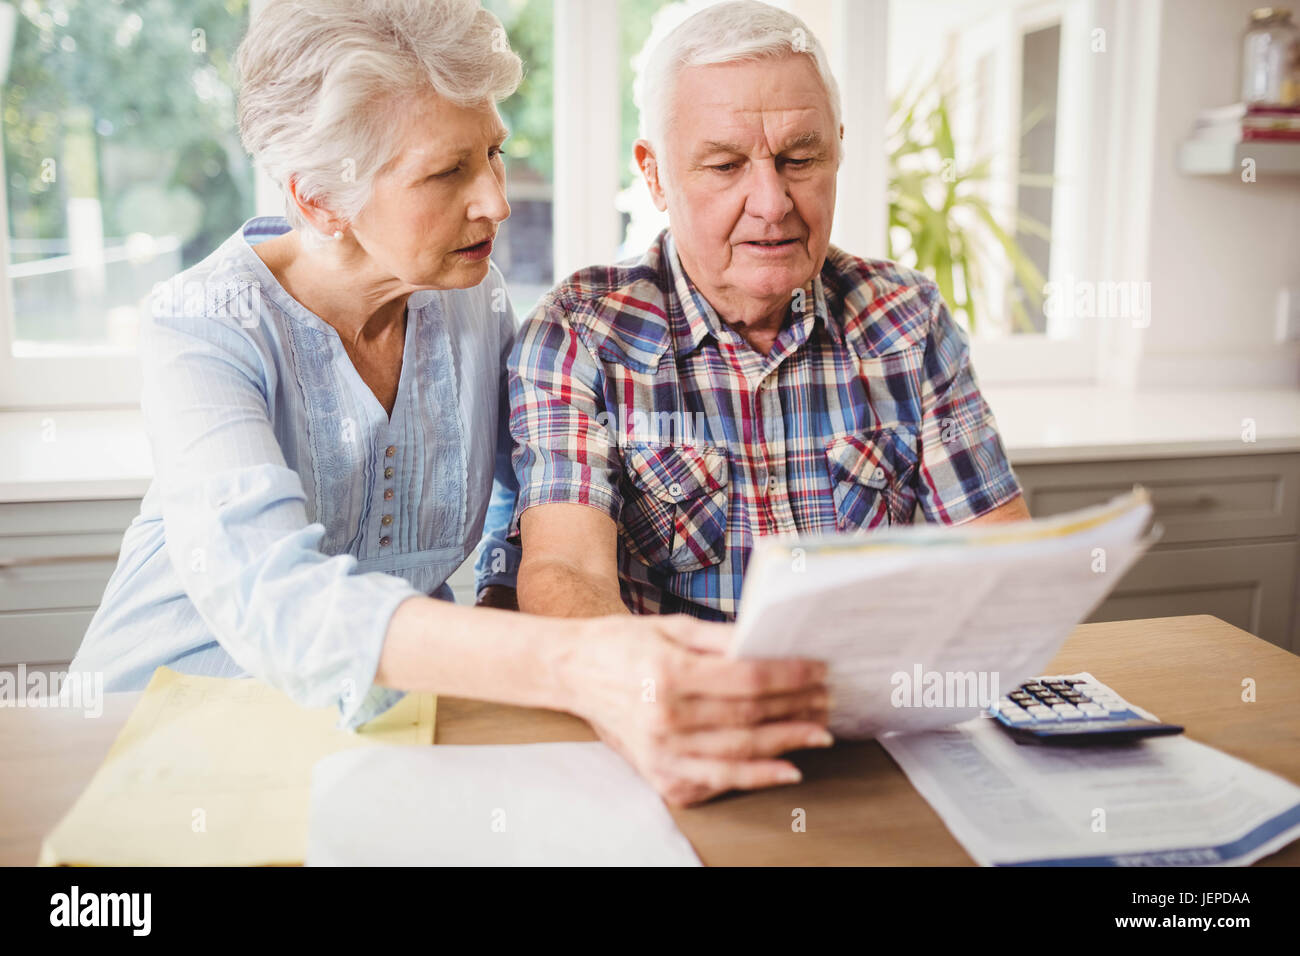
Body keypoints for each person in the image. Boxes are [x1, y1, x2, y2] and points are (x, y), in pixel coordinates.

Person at [67, 0, 828, 808]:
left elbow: (523, 493)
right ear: (322, 200)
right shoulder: (204, 327)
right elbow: (274, 599)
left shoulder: (470, 298)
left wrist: (511, 614)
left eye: (493, 152)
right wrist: (571, 663)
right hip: (156, 738)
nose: (496, 201)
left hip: (376, 743)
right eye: (447, 172)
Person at [509, 0, 1030, 625]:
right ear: (655, 176)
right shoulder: (580, 334)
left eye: (800, 160)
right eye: (726, 165)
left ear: (837, 152)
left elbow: (998, 554)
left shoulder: (906, 318)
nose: (772, 202)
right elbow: (565, 575)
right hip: (687, 702)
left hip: (871, 698)